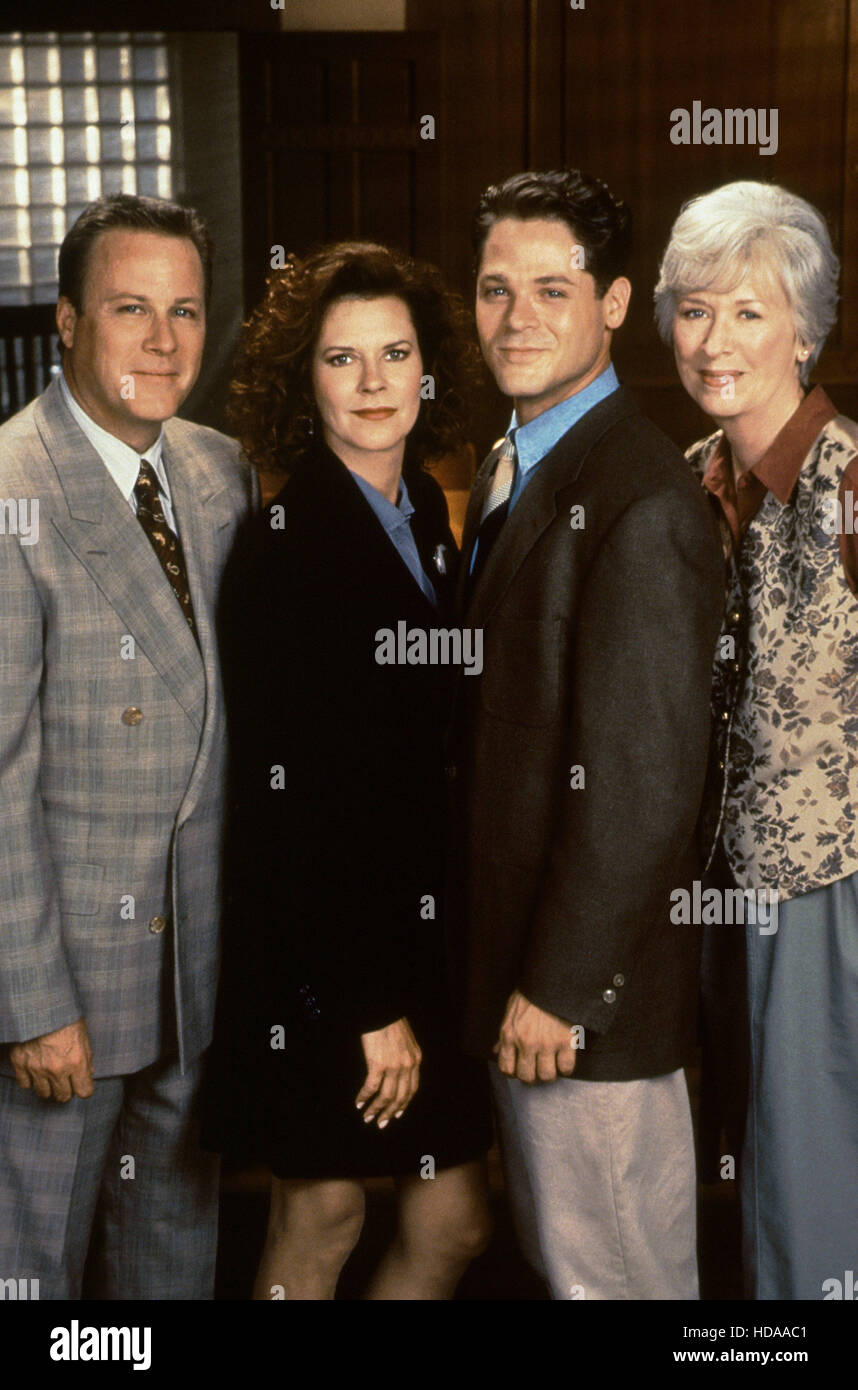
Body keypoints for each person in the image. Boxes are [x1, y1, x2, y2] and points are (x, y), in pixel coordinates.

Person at [446, 168, 724, 1300]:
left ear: (613, 304)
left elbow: (643, 784)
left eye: (551, 291)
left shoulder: (641, 497)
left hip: (585, 1004)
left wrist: (562, 987)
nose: (516, 319)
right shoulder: (517, 459)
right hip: (525, 972)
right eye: (494, 289)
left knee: (617, 1284)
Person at [201, 241, 493, 1301]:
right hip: (326, 954)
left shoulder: (425, 510)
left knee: (454, 1215)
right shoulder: (287, 549)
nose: (374, 383)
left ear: (427, 370)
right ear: (302, 381)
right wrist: (367, 1002)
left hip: (421, 940)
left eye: (394, 353)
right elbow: (296, 806)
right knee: (321, 1210)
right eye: (341, 359)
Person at [0, 193, 256, 1299]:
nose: (164, 340)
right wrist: (30, 1002)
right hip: (65, 986)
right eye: (130, 308)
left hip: (190, 972)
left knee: (172, 1264)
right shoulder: (14, 487)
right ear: (65, 321)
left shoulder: (220, 472)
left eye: (187, 310)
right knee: (34, 1264)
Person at [655, 180, 858, 1301]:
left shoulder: (849, 483)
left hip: (835, 885)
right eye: (695, 310)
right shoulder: (690, 484)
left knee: (811, 1174)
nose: (714, 339)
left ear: (806, 330)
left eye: (748, 312)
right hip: (723, 895)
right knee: (757, 1164)